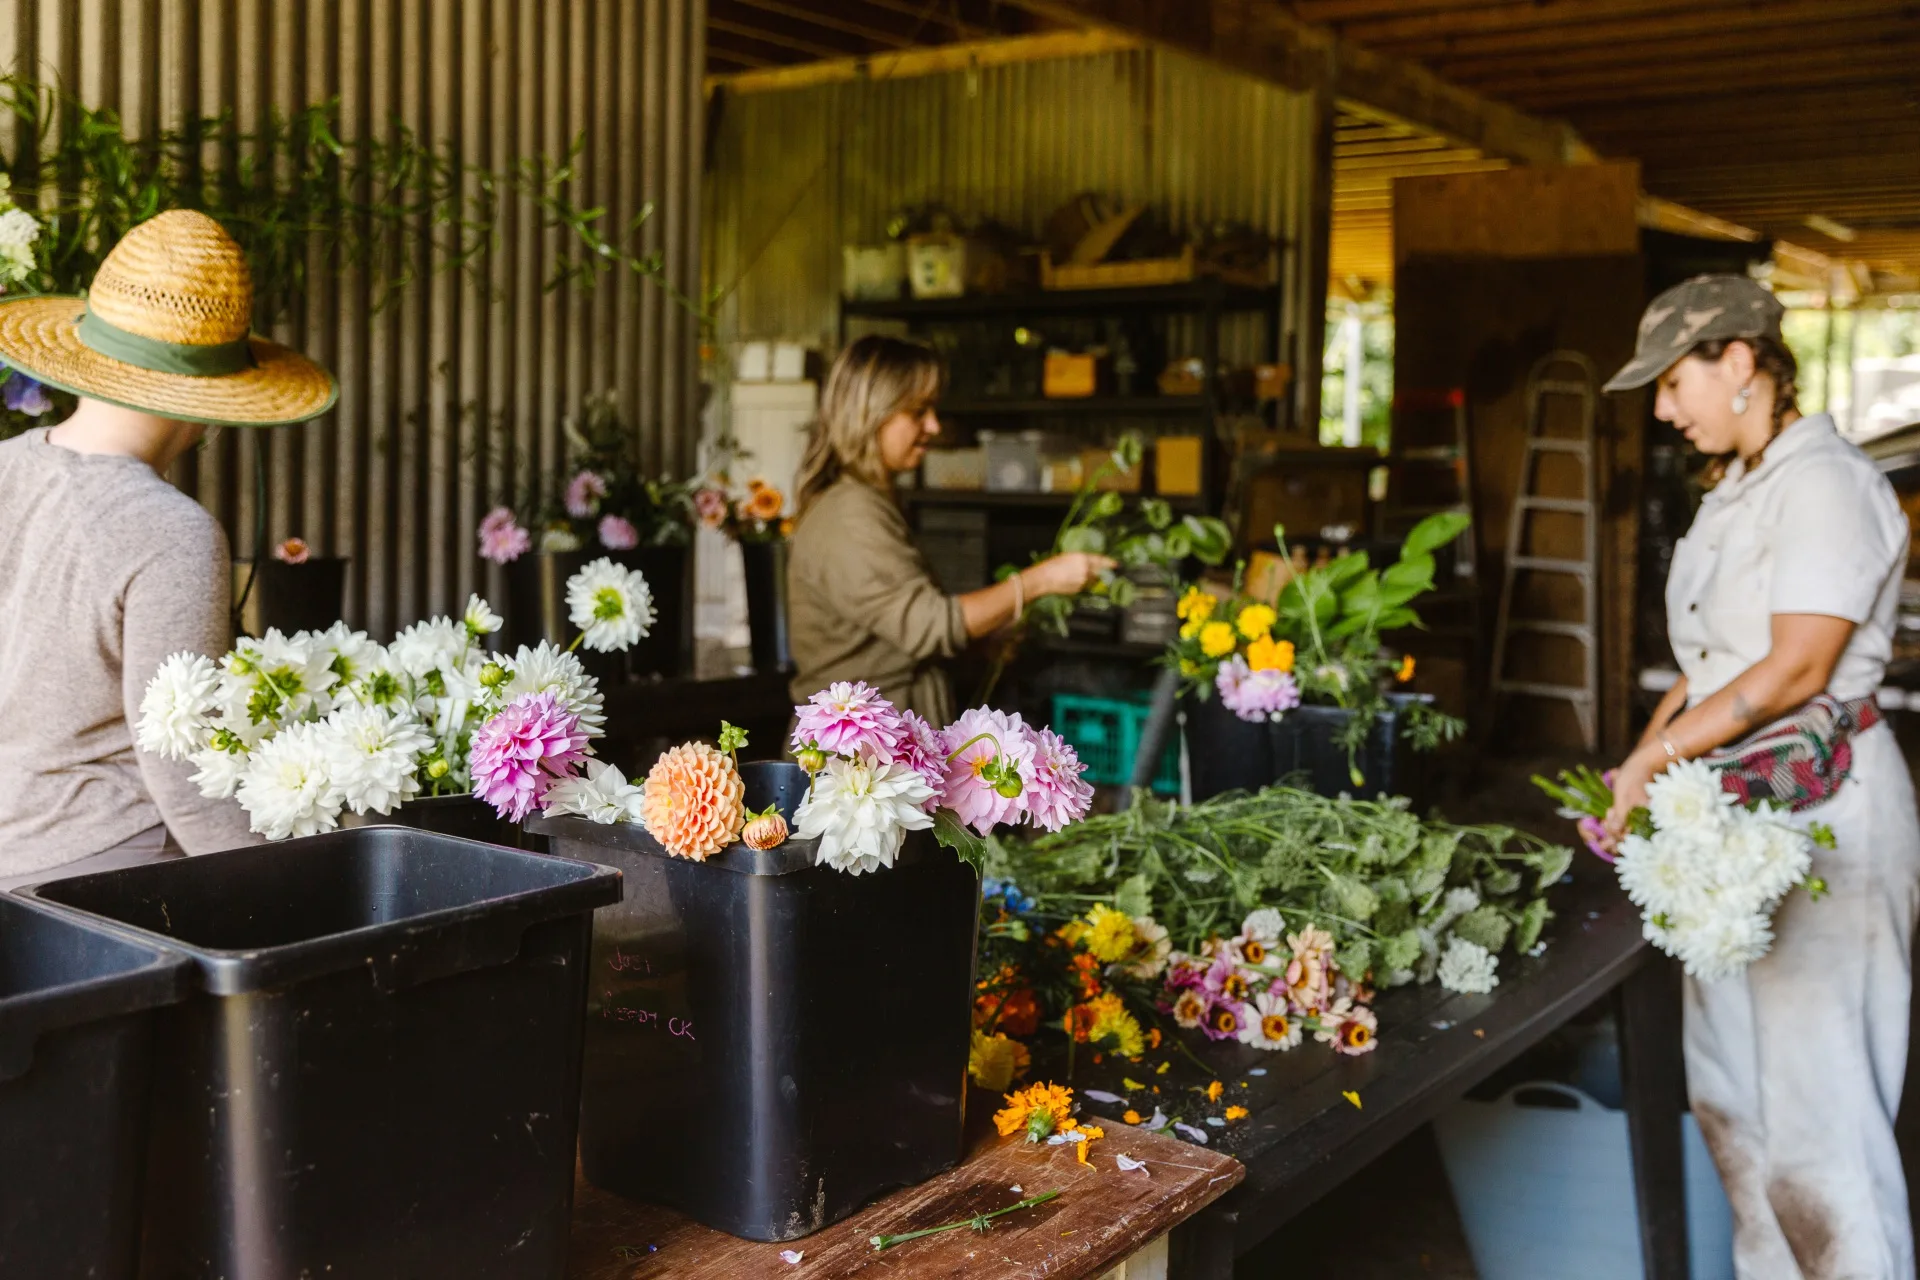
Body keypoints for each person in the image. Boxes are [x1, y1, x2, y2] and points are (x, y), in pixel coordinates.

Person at [1600, 275, 1920, 1278]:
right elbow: (1712, 667)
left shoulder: (1825, 483)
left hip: (1828, 809)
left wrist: (1657, 757)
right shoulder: (1738, 488)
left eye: (1671, 381)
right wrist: (1639, 771)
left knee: (1824, 1137)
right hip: (1731, 818)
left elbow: (1796, 667)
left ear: (1739, 360)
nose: (1663, 409)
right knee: (1733, 1106)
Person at [0, 209, 338, 889]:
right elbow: (183, 772)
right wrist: (285, 897)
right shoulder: (172, 531)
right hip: (109, 872)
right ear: (211, 402)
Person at [786, 334, 1113, 723]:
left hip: (882, 742)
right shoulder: (849, 513)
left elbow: (895, 634)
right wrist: (1041, 580)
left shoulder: (868, 502)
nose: (934, 425)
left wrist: (979, 646)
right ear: (871, 414)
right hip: (860, 753)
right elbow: (932, 625)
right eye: (918, 412)